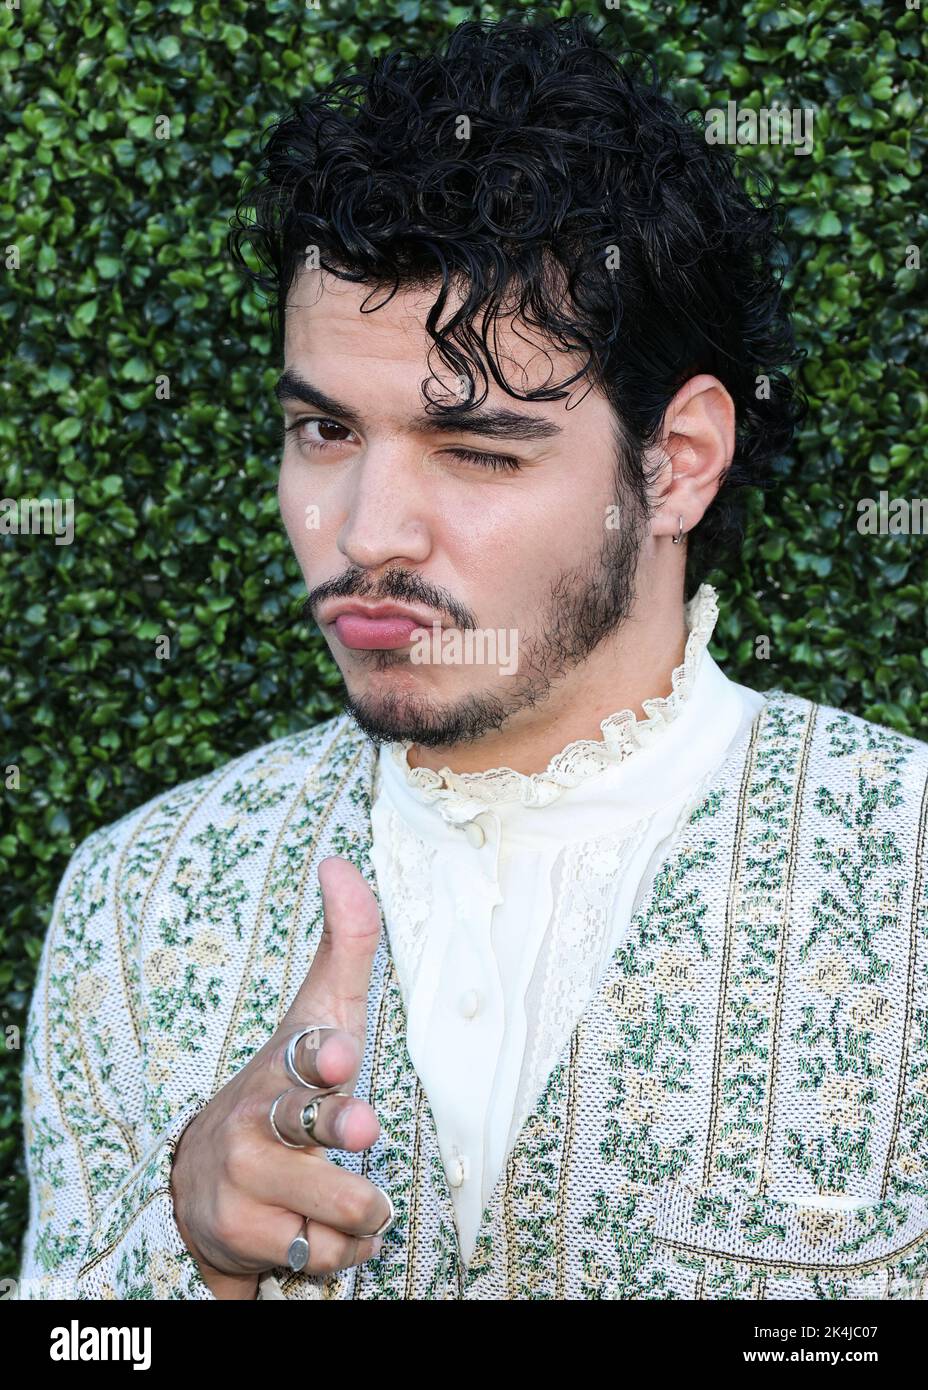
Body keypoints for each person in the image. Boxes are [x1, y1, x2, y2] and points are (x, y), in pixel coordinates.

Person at [18, 16, 928, 1301]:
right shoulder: (132, 907)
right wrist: (190, 1255)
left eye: (478, 450)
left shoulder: (909, 868)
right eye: (325, 431)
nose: (366, 533)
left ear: (673, 467)